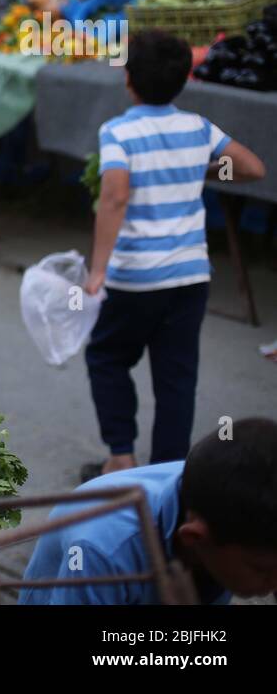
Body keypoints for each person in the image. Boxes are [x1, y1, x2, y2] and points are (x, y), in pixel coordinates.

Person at [83, 31, 265, 479]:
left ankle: (121, 456)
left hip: (135, 278)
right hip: (189, 278)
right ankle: (167, 479)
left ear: (129, 81)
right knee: (177, 379)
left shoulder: (118, 132)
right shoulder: (198, 128)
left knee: (106, 357)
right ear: (184, 79)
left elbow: (114, 199)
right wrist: (196, 168)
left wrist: (98, 270)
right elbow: (252, 167)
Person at [20, 419, 277, 604]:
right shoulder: (102, 549)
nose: (272, 585)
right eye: (262, 570)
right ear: (194, 537)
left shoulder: (217, 488)